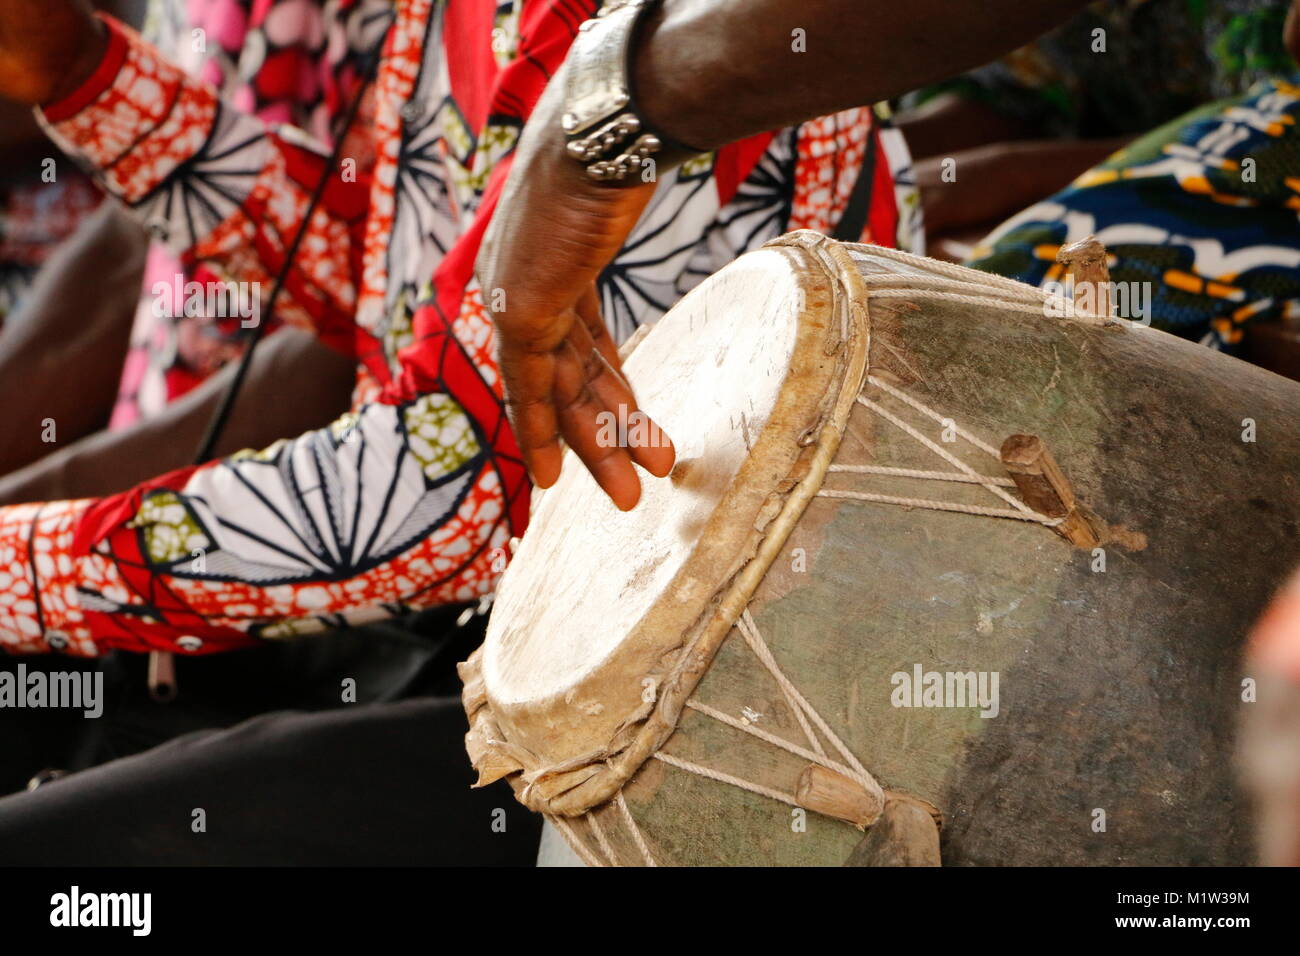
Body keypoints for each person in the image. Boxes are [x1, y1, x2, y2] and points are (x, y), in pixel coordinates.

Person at [0, 0, 1089, 862]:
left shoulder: (684, 37)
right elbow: (385, 300)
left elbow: (448, 494)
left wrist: (16, 571)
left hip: (687, 715)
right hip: (486, 642)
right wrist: (84, 73)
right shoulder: (445, 22)